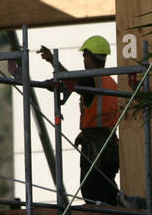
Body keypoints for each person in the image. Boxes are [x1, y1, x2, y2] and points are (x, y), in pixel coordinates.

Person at [39, 36, 121, 205]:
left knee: (92, 193)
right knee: (108, 191)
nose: (83, 59)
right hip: (112, 147)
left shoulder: (92, 79)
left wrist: (52, 61)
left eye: (84, 55)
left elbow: (68, 79)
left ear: (90, 56)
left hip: (95, 148)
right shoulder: (111, 82)